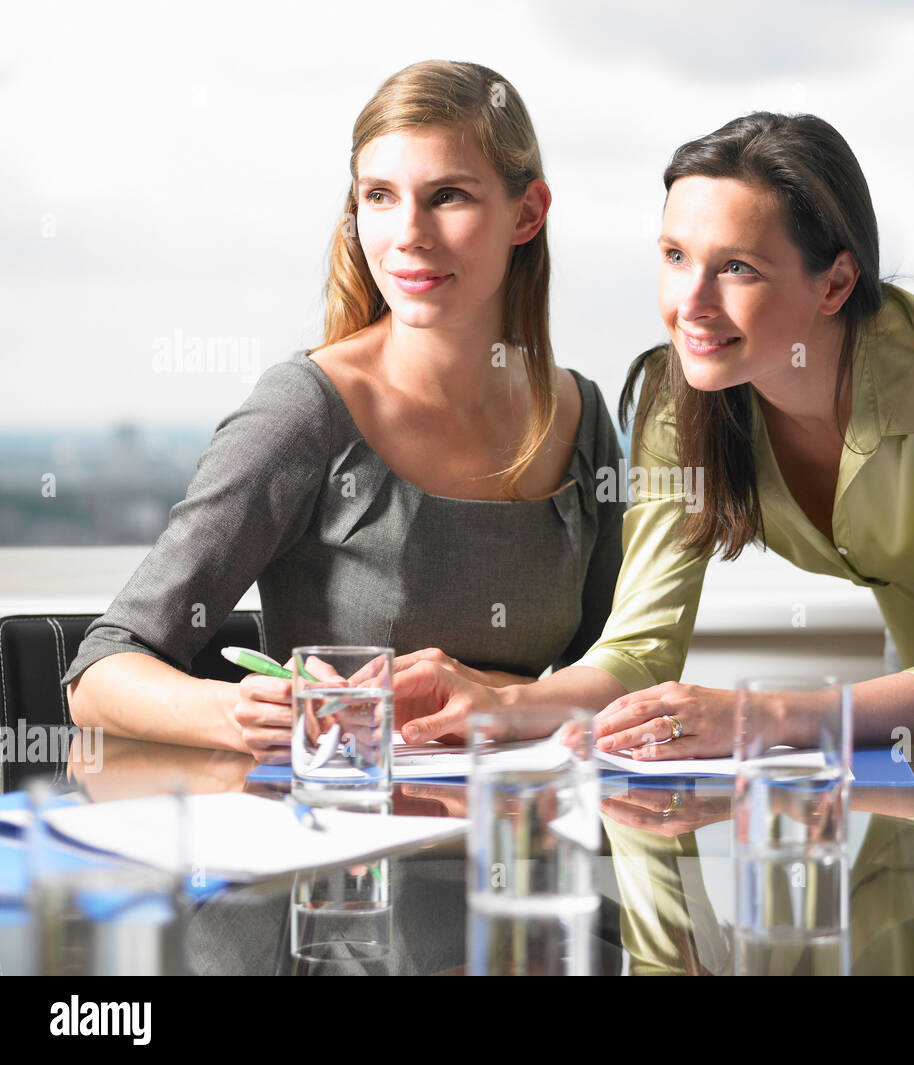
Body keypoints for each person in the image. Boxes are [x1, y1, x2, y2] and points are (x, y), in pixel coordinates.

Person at [391, 111, 914, 757]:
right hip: (912, 705)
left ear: (836, 282)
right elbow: (641, 647)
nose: (691, 303)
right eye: (675, 256)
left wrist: (763, 716)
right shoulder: (678, 396)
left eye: (737, 267)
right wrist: (502, 703)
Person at [64, 60, 626, 761]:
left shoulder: (582, 415)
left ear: (528, 213)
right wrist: (234, 711)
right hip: (342, 843)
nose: (409, 233)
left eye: (448, 196)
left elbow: (615, 675)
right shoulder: (306, 409)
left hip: (524, 844)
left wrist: (497, 694)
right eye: (380, 196)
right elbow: (100, 669)